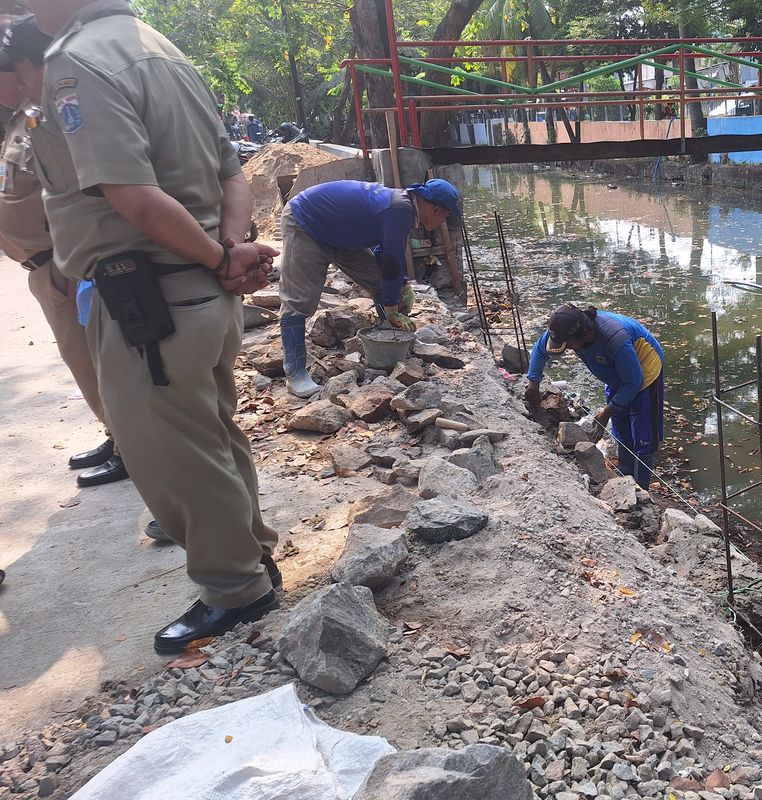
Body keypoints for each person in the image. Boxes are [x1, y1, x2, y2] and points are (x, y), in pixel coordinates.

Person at [27, 0, 282, 653]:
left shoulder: (75, 64)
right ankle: (253, 558)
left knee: (173, 453)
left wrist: (221, 257)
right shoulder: (160, 48)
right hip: (197, 294)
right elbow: (232, 174)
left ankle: (236, 588)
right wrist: (225, 254)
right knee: (212, 434)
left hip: (153, 299)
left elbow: (133, 197)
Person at [0, 15, 125, 487]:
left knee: (96, 362)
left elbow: (75, 194)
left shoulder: (48, 119)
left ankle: (132, 448)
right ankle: (117, 436)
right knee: (82, 363)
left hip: (62, 265)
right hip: (42, 267)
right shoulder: (22, 120)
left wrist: (75, 271)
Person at [277, 177, 461, 397]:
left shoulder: (402, 208)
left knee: (382, 284)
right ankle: (296, 374)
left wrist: (400, 285)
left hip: (340, 234)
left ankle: (391, 339)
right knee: (298, 302)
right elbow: (393, 259)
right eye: (445, 216)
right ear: (435, 209)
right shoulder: (400, 210)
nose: (444, 221)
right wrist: (392, 305)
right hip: (307, 223)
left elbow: (383, 254)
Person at [525, 304, 665, 489]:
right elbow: (540, 350)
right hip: (618, 372)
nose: (568, 350)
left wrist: (606, 412)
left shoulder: (615, 339)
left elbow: (633, 382)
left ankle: (642, 488)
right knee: (620, 423)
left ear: (584, 334)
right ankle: (626, 471)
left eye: (570, 346)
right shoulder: (565, 328)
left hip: (644, 372)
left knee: (642, 434)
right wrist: (533, 383)